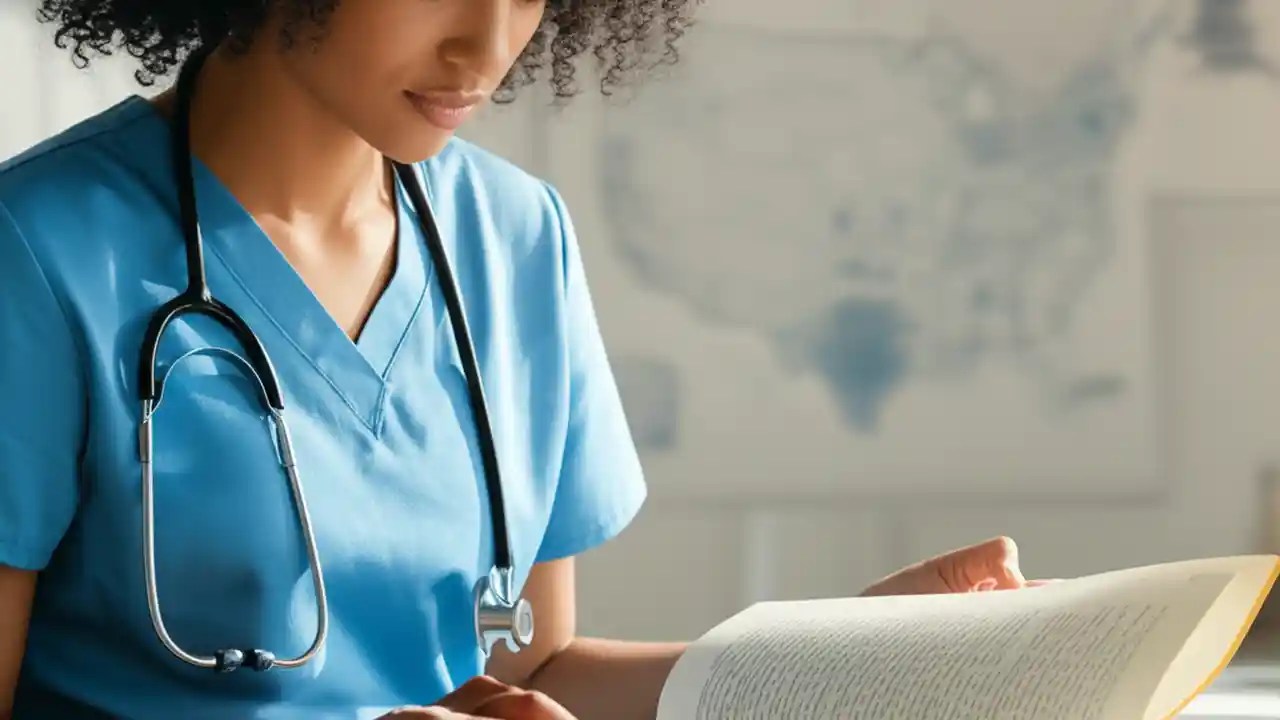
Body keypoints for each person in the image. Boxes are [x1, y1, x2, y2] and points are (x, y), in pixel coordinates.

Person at [0, 1, 1042, 718]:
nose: (488, 48)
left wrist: (840, 660)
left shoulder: (512, 235)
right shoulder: (37, 251)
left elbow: (530, 668)